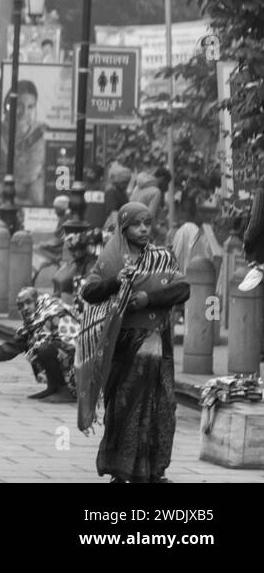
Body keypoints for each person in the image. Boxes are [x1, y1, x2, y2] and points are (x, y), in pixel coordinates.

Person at [76, 201, 189, 483]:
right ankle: (121, 470)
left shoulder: (163, 257)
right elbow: (89, 292)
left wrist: (149, 299)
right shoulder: (111, 260)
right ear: (123, 229)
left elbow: (183, 289)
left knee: (161, 406)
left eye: (147, 224)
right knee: (125, 405)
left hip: (157, 345)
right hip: (124, 346)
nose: (143, 230)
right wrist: (116, 282)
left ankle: (152, 471)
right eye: (136, 225)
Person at [0, 287, 80, 402]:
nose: (25, 308)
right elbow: (15, 345)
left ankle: (65, 391)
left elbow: (68, 341)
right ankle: (53, 387)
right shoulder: (34, 321)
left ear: (36, 300)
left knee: (44, 349)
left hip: (76, 357)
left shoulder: (53, 311)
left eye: (28, 303)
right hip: (65, 354)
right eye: (21, 306)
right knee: (40, 347)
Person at [10, 81, 46, 206]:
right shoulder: (5, 133)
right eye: (20, 105)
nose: (25, 112)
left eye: (30, 107)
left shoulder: (41, 132)